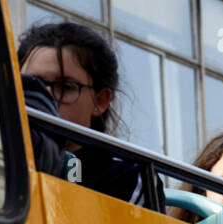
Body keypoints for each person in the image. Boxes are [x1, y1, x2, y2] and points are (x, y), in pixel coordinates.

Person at [17, 21, 145, 206]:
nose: (45, 97)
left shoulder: (127, 176)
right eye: (31, 84)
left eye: (66, 87)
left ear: (100, 101)